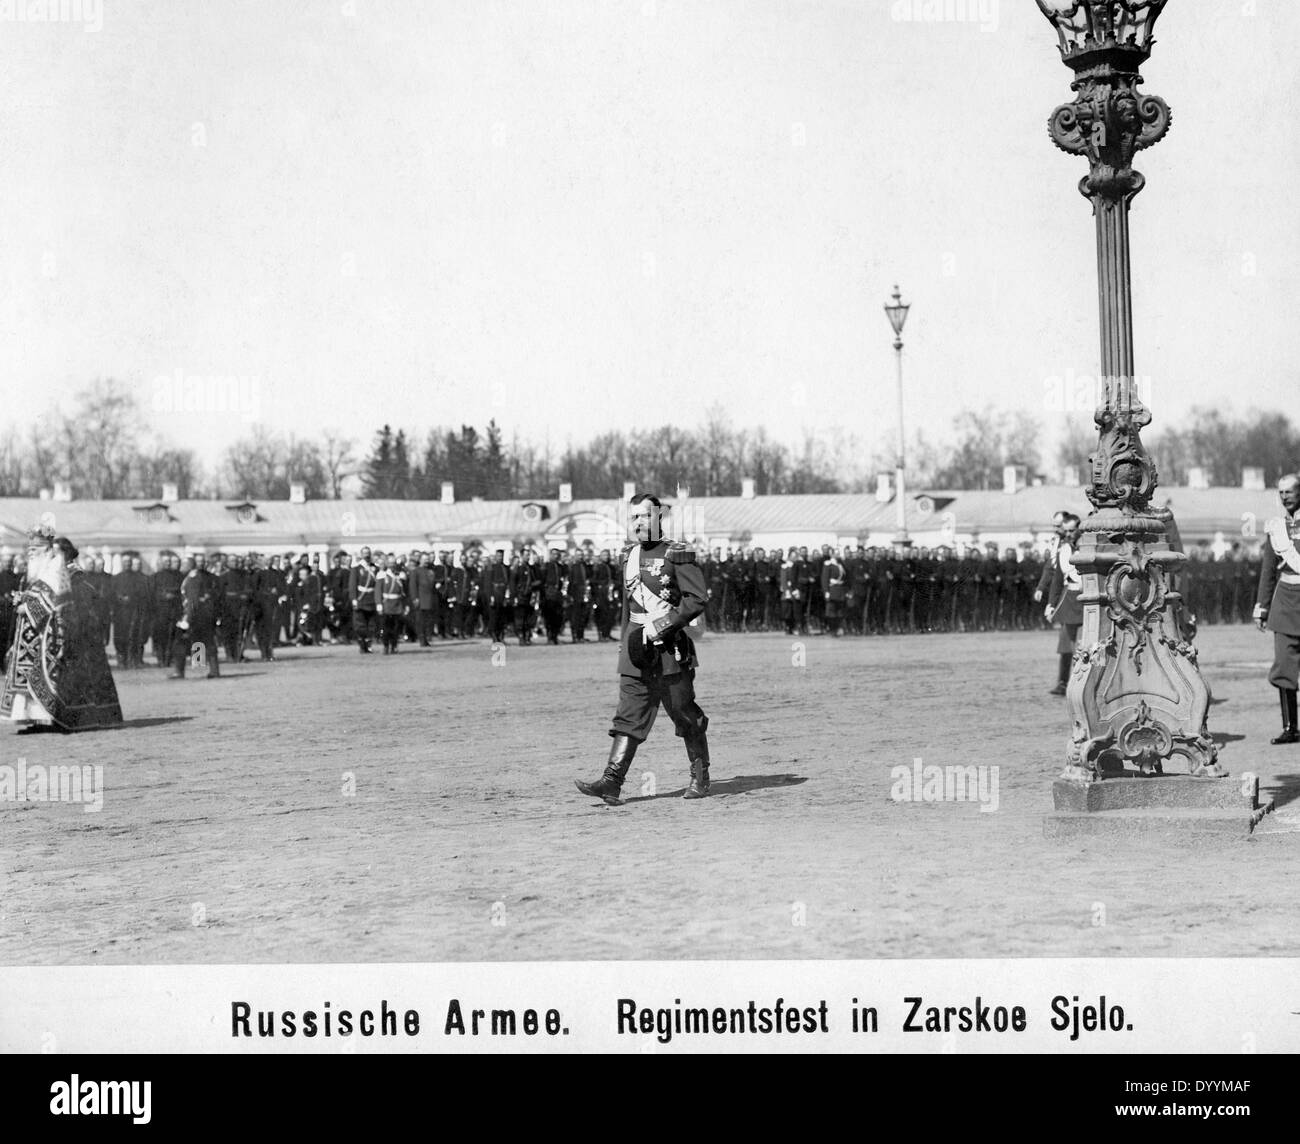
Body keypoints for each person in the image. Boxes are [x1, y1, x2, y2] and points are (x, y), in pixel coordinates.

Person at [575, 494, 711, 805]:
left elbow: (696, 599)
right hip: (636, 648)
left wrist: (664, 624)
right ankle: (612, 781)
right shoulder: (627, 556)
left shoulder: (678, 554)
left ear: (658, 518)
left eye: (645, 517)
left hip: (669, 647)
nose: (639, 523)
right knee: (629, 713)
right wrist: (625, 642)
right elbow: (628, 606)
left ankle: (700, 775)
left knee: (683, 711)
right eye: (634, 517)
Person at [1, 530, 123, 732]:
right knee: (41, 677)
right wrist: (23, 599)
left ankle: (57, 720)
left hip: (69, 636)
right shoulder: (52, 572)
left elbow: (62, 605)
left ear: (66, 554)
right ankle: (41, 720)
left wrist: (29, 607)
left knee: (60, 679)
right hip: (45, 635)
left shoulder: (74, 576)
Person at [1254, 473, 1300, 744]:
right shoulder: (1276, 527)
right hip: (1284, 603)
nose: (1284, 496)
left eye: (1290, 491)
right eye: (1281, 492)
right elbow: (1268, 571)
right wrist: (1262, 607)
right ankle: (1291, 727)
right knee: (1283, 667)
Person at [1045, 513, 1084, 696]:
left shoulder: (1089, 547)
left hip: (1086, 597)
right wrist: (1051, 603)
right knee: (1065, 643)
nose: (1068, 534)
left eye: (1072, 530)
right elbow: (1057, 579)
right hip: (1068, 596)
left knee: (1084, 644)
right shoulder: (1064, 549)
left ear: (1079, 529)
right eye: (1066, 531)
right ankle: (1062, 682)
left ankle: (1082, 683)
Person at [171, 552, 221, 679]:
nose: (181, 567)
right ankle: (213, 670)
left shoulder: (192, 579)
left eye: (183, 564)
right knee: (206, 642)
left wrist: (187, 619)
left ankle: (179, 671)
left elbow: (192, 600)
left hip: (195, 617)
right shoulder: (195, 577)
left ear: (189, 565)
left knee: (180, 643)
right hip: (203, 616)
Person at [348, 546, 379, 653]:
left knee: (371, 625)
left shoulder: (375, 568)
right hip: (361, 599)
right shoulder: (356, 569)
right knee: (360, 625)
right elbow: (352, 585)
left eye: (368, 553)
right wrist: (354, 599)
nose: (366, 555)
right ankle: (362, 645)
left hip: (372, 599)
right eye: (364, 553)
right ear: (361, 555)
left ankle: (369, 644)